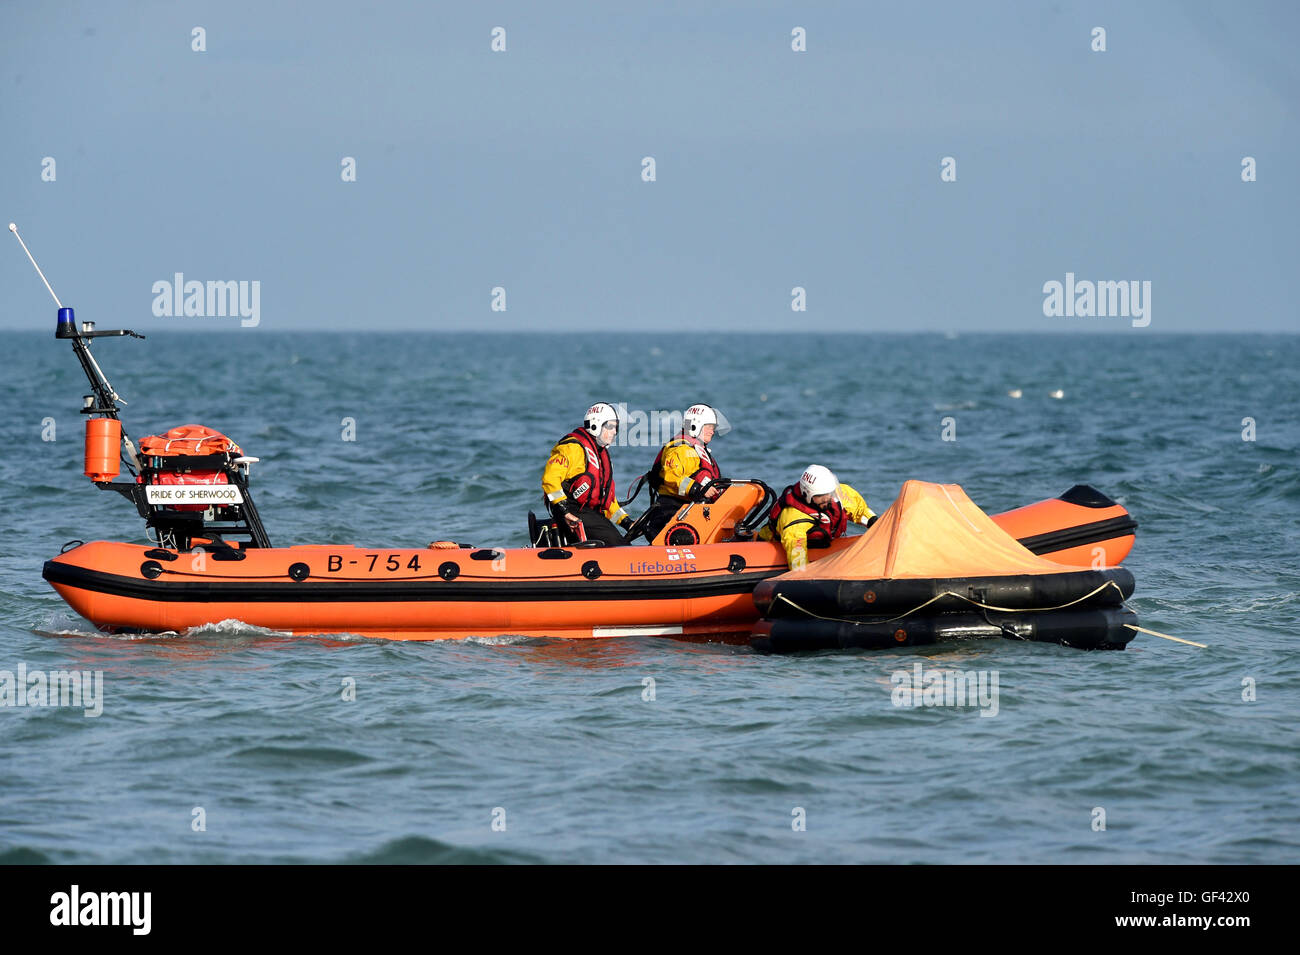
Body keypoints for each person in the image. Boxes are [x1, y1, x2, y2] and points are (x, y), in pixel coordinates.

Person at [541, 402, 634, 547]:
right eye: (610, 427)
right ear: (595, 426)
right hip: (571, 509)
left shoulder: (601, 455)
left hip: (587, 512)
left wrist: (627, 522)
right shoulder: (572, 448)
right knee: (617, 544)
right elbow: (550, 479)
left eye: (616, 427)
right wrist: (564, 511)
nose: (615, 432)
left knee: (620, 541)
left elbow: (608, 502)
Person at [641, 403, 729, 541]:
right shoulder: (681, 449)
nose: (712, 431)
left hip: (690, 508)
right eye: (709, 427)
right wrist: (698, 489)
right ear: (695, 425)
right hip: (670, 510)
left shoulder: (698, 450)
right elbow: (672, 477)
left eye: (713, 428)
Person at [760, 464, 875, 570]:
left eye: (829, 493)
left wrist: (874, 521)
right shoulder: (794, 518)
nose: (827, 499)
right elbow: (797, 556)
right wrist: (804, 578)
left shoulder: (833, 493)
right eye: (821, 496)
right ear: (807, 494)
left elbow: (859, 510)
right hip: (774, 545)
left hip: (825, 543)